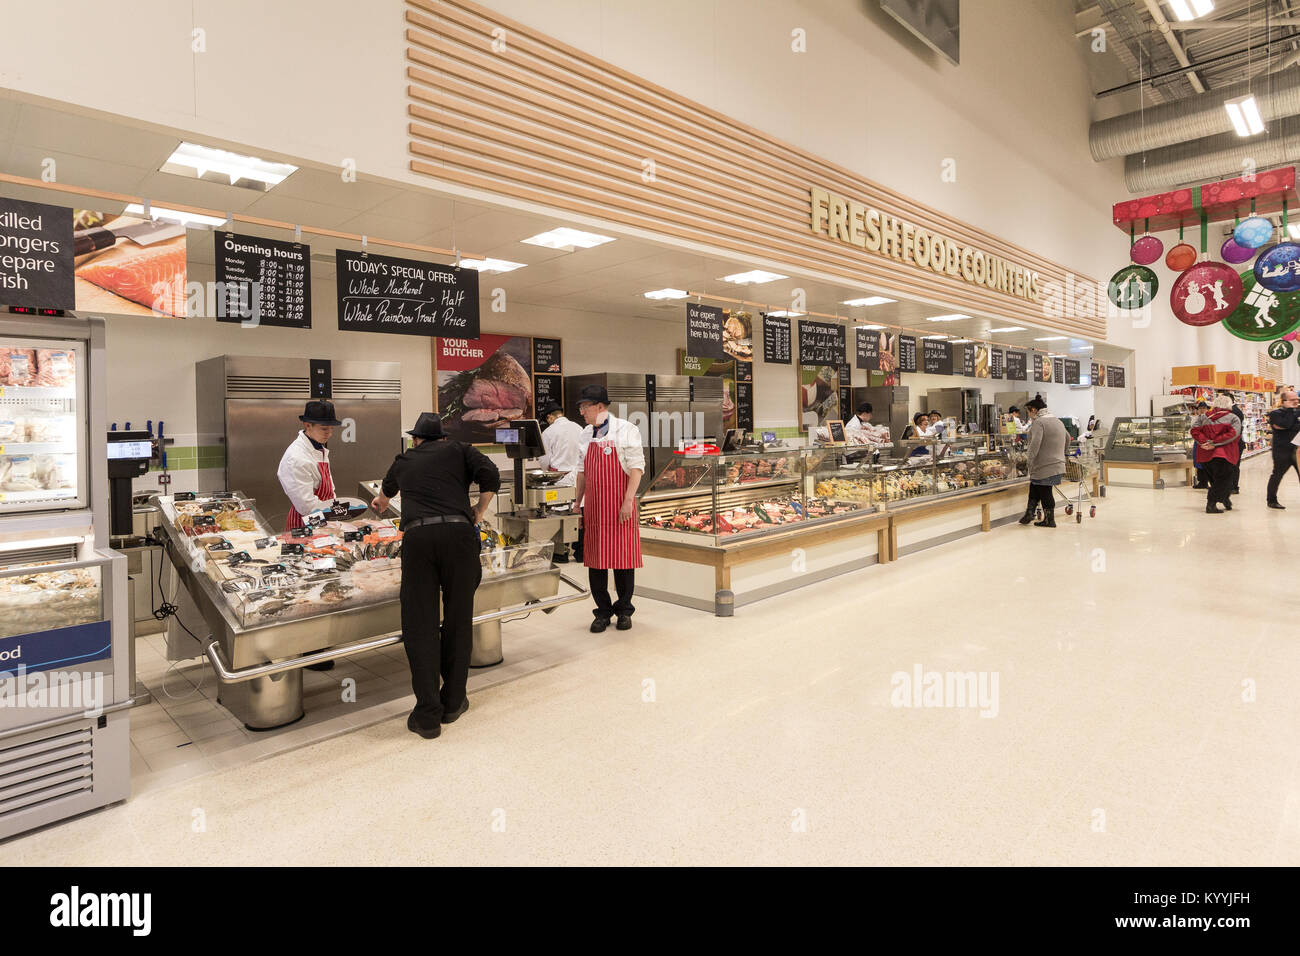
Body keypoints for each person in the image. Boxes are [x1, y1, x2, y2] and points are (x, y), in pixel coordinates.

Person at [372, 413, 499, 739]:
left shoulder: (405, 459)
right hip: (459, 537)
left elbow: (383, 499)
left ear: (416, 439)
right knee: (458, 618)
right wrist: (479, 511)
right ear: (442, 438)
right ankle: (453, 702)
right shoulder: (460, 450)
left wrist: (380, 502)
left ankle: (427, 714)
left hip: (420, 539)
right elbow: (492, 476)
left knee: (420, 624)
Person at [574, 384, 644, 633]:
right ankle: (602, 612)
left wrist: (628, 500)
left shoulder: (626, 430)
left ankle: (624, 610)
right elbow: (582, 472)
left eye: (584, 407)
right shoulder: (585, 434)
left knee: (623, 561)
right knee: (596, 561)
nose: (582, 411)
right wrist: (577, 502)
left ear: (599, 407)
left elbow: (636, 468)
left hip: (620, 505)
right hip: (594, 507)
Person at [276, 400, 341, 532]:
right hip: (305, 523)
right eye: (324, 428)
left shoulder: (317, 447)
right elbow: (306, 506)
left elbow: (329, 488)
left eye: (331, 428)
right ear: (307, 425)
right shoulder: (296, 457)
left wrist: (335, 510)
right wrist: (331, 519)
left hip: (324, 519)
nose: (329, 433)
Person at [1019, 397, 1068, 527]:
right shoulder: (1057, 421)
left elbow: (1034, 445)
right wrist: (1063, 454)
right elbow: (1068, 438)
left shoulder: (1039, 423)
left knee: (1045, 491)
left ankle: (1049, 520)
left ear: (1034, 410)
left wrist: (1028, 462)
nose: (1029, 415)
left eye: (1029, 412)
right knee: (1035, 486)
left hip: (1044, 465)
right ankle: (1029, 513)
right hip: (1057, 464)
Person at [1191, 396, 1242, 514]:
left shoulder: (1203, 417)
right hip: (1224, 454)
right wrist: (1214, 443)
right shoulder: (1233, 418)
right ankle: (1211, 504)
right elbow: (1234, 434)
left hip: (1205, 454)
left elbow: (1194, 430)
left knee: (1215, 480)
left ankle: (1225, 499)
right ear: (1229, 405)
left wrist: (1204, 442)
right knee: (1224, 479)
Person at [1265, 389, 1300, 509]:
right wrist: (1290, 412)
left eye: (1297, 399)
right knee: (1277, 475)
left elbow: (1287, 426)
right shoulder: (1275, 413)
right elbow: (1286, 424)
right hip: (1282, 450)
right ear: (1283, 401)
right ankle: (1271, 500)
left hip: (1297, 451)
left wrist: (1289, 425)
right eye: (1292, 400)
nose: (1296, 402)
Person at [1190, 401, 1210, 489]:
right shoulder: (1195, 418)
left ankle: (1207, 481)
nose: (1202, 410)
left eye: (1204, 408)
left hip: (1206, 442)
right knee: (1198, 462)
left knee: (1206, 463)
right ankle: (1202, 482)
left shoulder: (1209, 418)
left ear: (1207, 409)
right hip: (1197, 442)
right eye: (1200, 408)